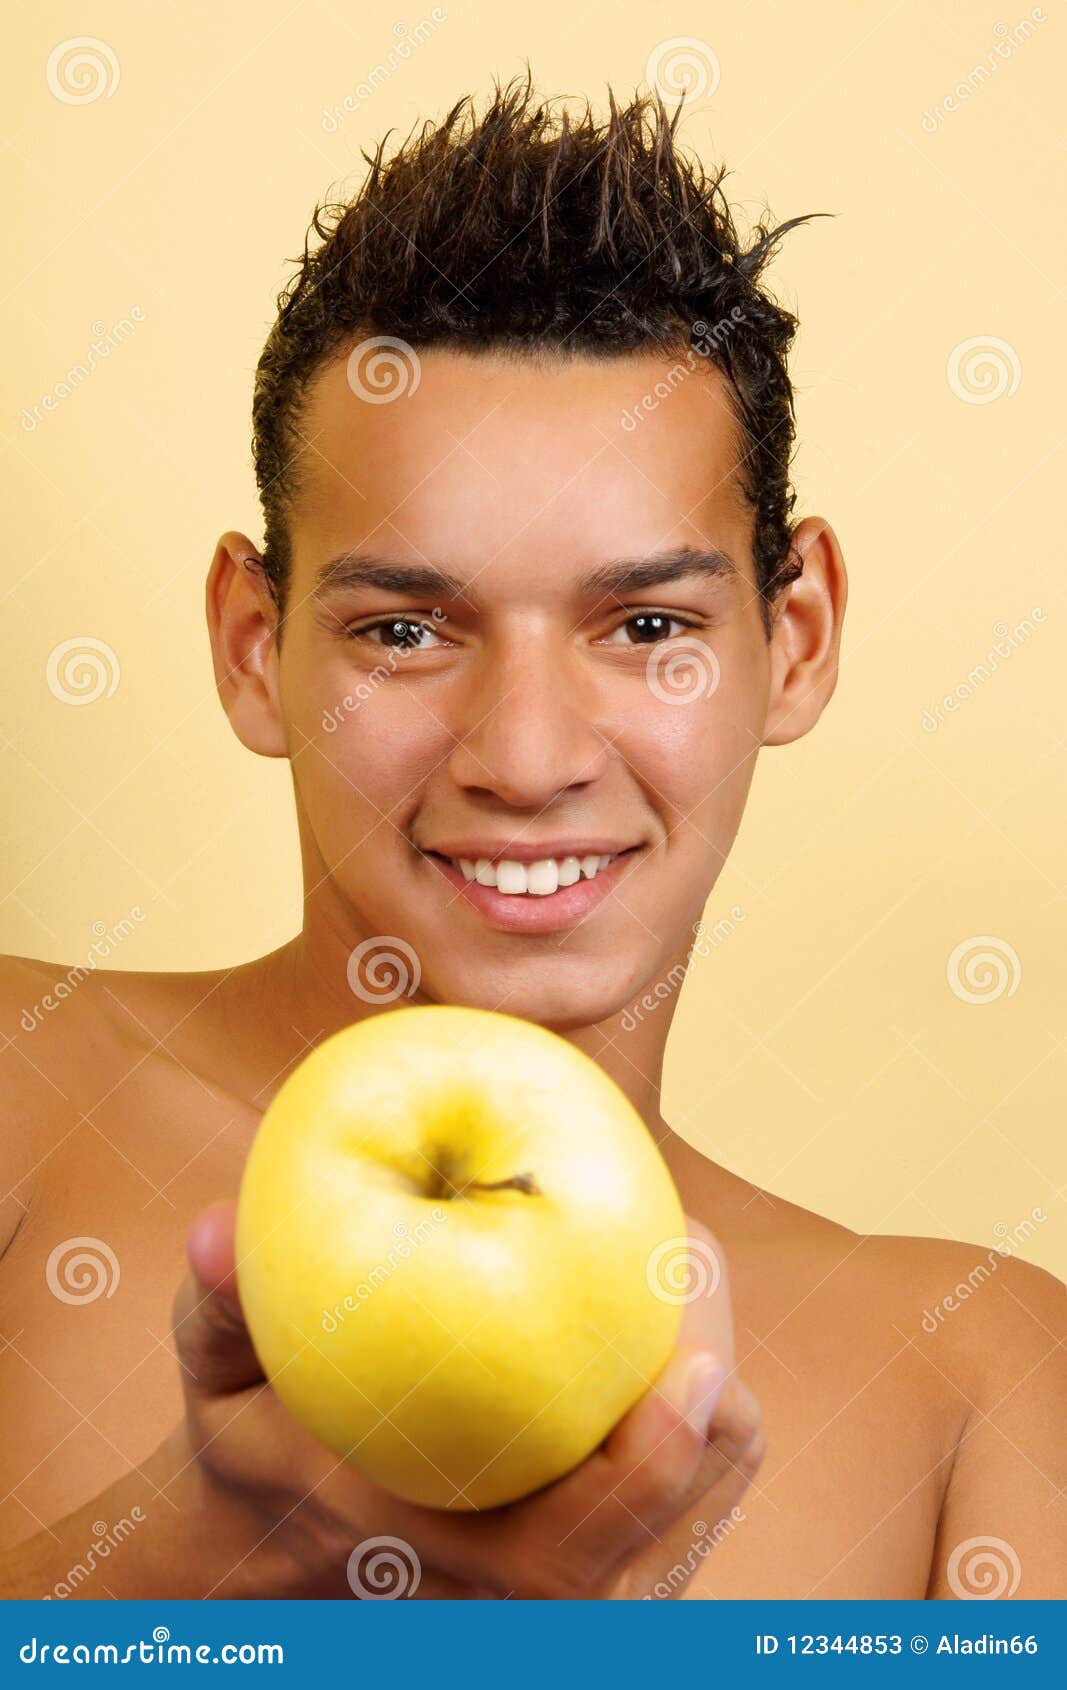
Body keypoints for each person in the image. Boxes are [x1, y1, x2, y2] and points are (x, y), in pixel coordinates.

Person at [1, 77, 1063, 1601]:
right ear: (252, 645)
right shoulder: (24, 1094)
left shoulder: (978, 1376)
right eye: (409, 628)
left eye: (645, 624)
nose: (527, 756)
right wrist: (214, 1556)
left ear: (800, 633)